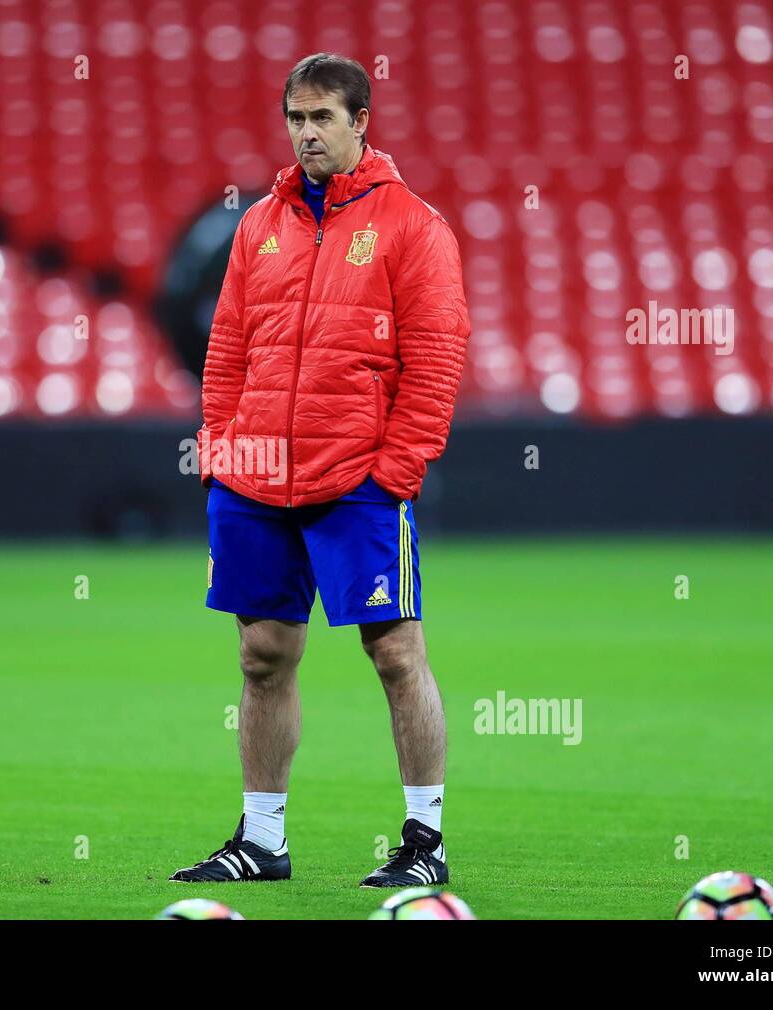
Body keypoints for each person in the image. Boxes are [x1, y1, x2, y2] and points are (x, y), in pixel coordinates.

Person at [172, 53, 471, 888]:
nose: (307, 133)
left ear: (361, 121)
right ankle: (262, 841)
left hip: (359, 479)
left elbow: (437, 360)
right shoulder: (257, 225)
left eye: (323, 119)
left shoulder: (412, 225)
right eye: (296, 119)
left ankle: (424, 840)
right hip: (255, 480)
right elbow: (227, 348)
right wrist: (223, 455)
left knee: (395, 651)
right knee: (262, 654)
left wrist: (397, 470)